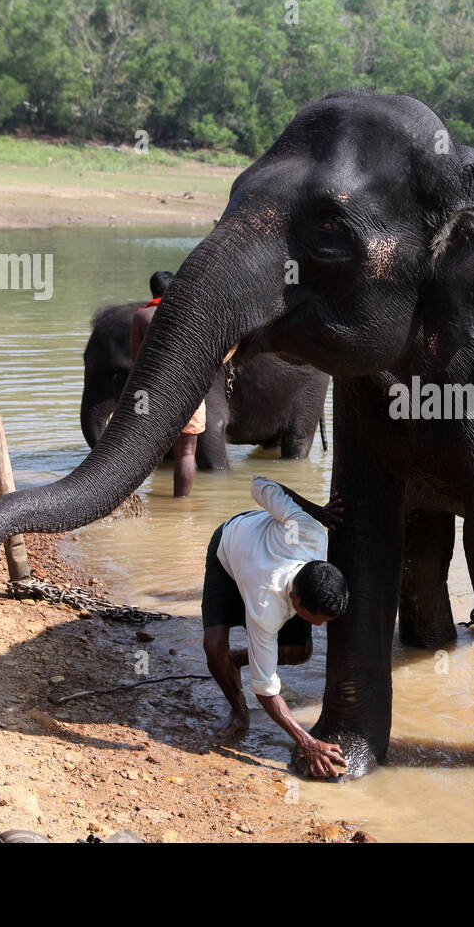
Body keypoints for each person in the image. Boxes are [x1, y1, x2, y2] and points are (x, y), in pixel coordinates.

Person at [202, 475, 349, 777]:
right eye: (316, 619)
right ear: (296, 601)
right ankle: (239, 712)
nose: (320, 627)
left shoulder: (311, 533)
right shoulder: (265, 608)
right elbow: (266, 688)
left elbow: (262, 485)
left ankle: (238, 661)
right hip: (228, 547)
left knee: (299, 653)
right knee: (214, 645)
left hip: (261, 555)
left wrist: (313, 511)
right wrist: (306, 742)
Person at [131, 270, 202, 497]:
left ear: (152, 291)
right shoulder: (192, 315)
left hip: (153, 393)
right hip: (188, 389)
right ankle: (181, 506)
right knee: (186, 454)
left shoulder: (143, 317)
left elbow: (136, 361)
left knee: (146, 450)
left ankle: (135, 496)